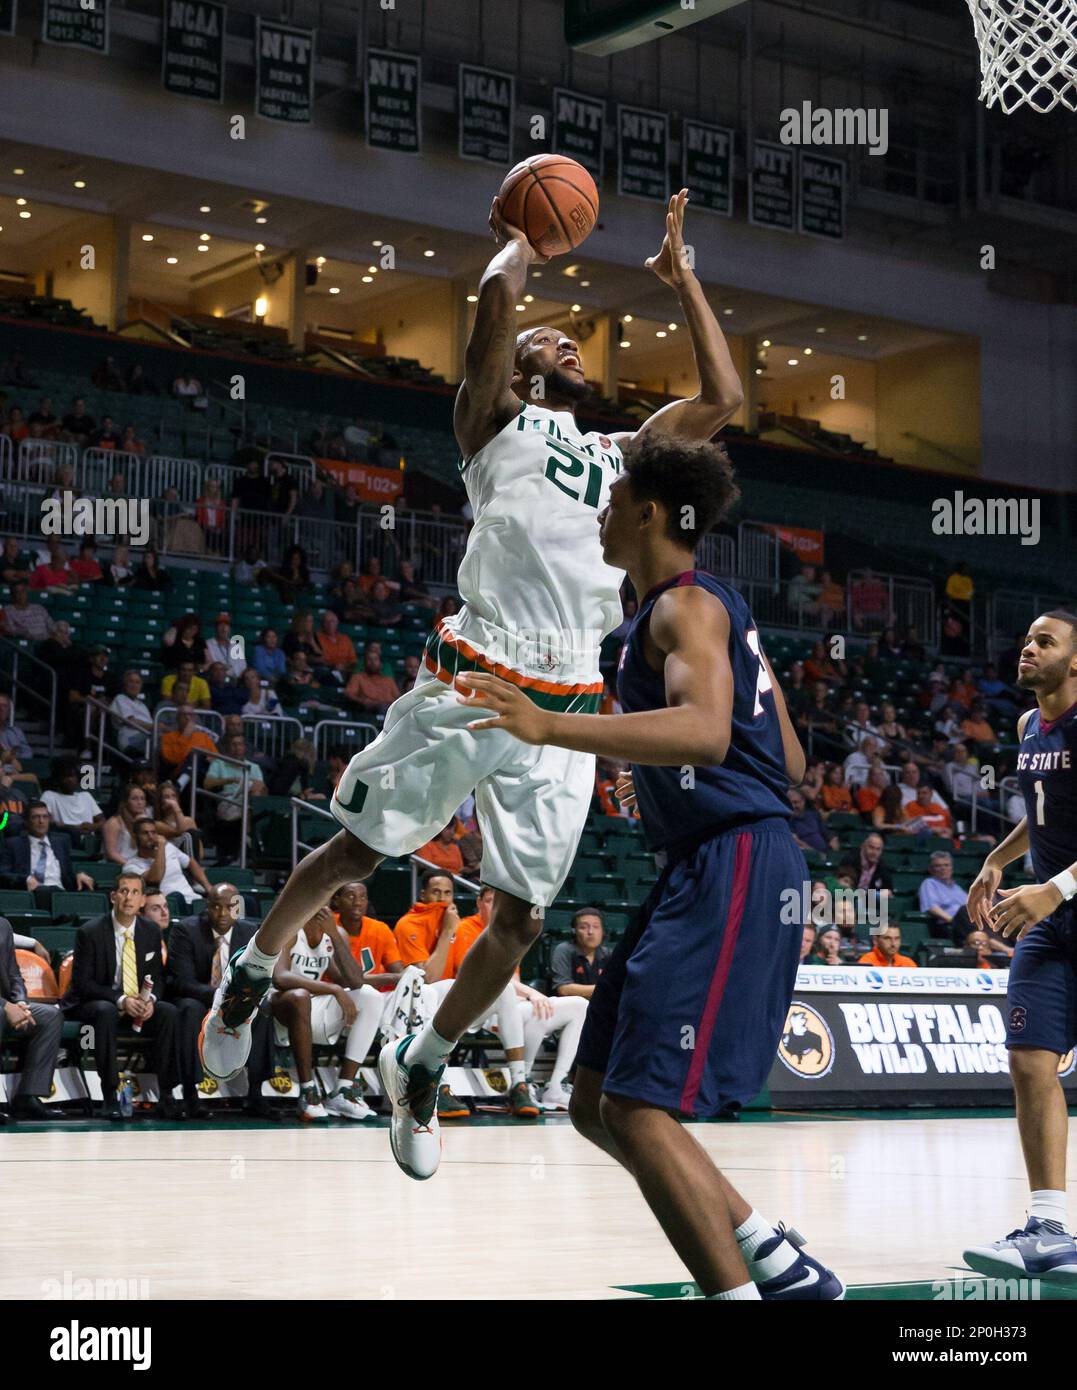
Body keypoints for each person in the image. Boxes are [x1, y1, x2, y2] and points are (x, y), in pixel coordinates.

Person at [196, 188, 748, 1212]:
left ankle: (423, 1058)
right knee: (362, 847)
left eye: (579, 343)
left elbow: (722, 401)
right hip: (476, 672)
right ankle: (253, 962)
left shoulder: (624, 454)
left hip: (570, 695)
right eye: (556, 342)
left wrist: (687, 283)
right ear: (524, 366)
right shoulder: (491, 423)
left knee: (523, 919)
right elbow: (495, 316)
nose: (572, 345)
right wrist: (519, 244)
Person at [453, 401, 841, 1288]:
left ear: (651, 515)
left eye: (612, 495)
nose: (599, 508)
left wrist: (552, 729)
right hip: (707, 857)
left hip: (733, 858)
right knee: (593, 1101)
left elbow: (707, 734)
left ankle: (740, 1289)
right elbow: (784, 752)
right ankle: (773, 1260)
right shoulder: (694, 614)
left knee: (635, 1106)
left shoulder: (683, 609)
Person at [961, 614, 1077, 1284]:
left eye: (1044, 642)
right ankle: (1048, 1227)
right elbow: (1043, 811)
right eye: (1025, 638)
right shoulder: (1028, 728)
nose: (1027, 648)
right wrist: (996, 859)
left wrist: (1055, 888)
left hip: (1057, 901)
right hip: (1055, 922)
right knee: (1029, 1058)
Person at [61, 871, 183, 1121]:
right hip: (94, 1003)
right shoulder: (90, 932)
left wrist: (151, 1000)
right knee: (105, 1011)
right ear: (113, 896)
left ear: (141, 901)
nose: (129, 897)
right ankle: (109, 1095)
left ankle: (168, 1094)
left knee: (168, 1012)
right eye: (124, 891)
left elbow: (157, 977)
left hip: (136, 1003)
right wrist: (121, 1000)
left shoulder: (150, 931)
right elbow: (84, 984)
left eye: (135, 892)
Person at [167, 885, 278, 1120]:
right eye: (216, 907)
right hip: (199, 998)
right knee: (188, 1008)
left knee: (263, 1009)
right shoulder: (185, 930)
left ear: (238, 908)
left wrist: (237, 1000)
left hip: (236, 999)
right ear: (207, 907)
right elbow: (181, 981)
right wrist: (222, 998)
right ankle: (190, 1095)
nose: (222, 913)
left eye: (229, 907)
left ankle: (256, 1093)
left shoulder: (251, 933)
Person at [268, 907, 381, 1121]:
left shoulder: (333, 933)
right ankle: (308, 1091)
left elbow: (355, 981)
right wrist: (334, 990)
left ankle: (343, 1090)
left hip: (312, 1006)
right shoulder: (290, 928)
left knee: (370, 996)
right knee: (300, 996)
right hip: (279, 1007)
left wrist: (335, 935)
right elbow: (280, 978)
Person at [0, 913, 63, 1121]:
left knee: (50, 1016)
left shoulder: (3, 925)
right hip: (2, 1008)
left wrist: (21, 1002)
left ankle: (29, 1095)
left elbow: (13, 973)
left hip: (8, 1006)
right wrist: (6, 1006)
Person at [124, 816, 211, 906]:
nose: (151, 836)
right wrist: (161, 847)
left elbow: (190, 862)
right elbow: (154, 879)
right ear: (135, 836)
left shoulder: (169, 848)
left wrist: (208, 887)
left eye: (153, 832)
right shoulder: (131, 866)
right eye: (145, 833)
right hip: (169, 906)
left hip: (193, 900)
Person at [550, 907, 611, 1000]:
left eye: (596, 927)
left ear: (603, 932)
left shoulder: (608, 954)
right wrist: (605, 989)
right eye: (583, 927)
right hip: (569, 1008)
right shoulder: (564, 950)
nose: (590, 932)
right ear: (574, 931)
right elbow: (563, 989)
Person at [42, 758, 105, 838]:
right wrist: (73, 828)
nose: (70, 780)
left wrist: (93, 826)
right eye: (65, 776)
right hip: (65, 838)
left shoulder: (86, 796)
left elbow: (102, 820)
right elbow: (45, 820)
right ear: (57, 779)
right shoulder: (49, 795)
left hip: (88, 841)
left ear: (78, 778)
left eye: (72, 776)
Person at [343, 643, 400, 716]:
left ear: (380, 663)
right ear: (365, 663)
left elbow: (398, 697)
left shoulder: (388, 680)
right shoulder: (358, 677)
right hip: (371, 709)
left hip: (390, 708)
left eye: (375, 659)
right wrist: (362, 701)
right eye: (369, 659)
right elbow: (349, 694)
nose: (373, 662)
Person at [102, 783, 149, 866]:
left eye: (142, 799)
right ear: (125, 802)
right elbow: (111, 853)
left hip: (138, 865)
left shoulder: (146, 821)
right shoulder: (114, 823)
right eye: (134, 799)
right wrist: (131, 866)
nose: (140, 802)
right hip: (116, 866)